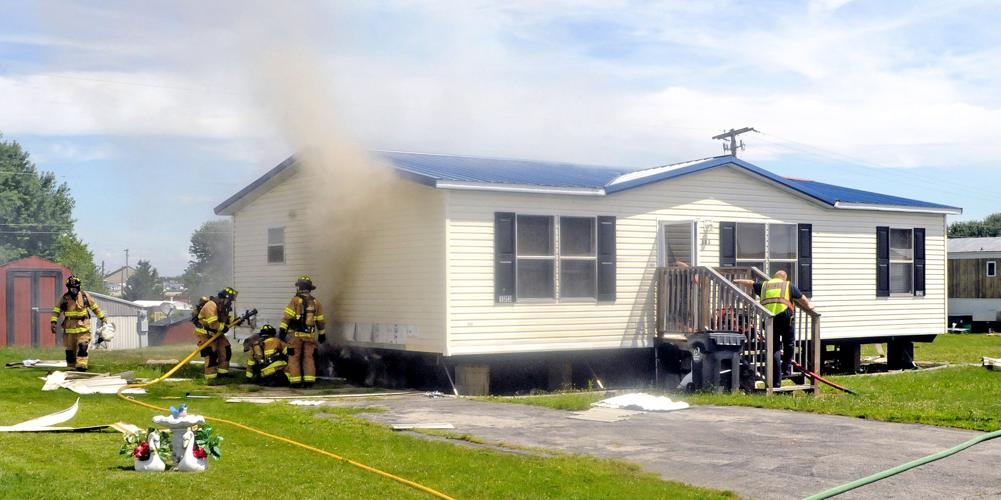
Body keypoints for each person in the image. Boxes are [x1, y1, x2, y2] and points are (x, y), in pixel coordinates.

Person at [734, 270, 815, 386]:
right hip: (786, 319)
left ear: (774, 277)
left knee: (774, 349)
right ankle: (786, 368)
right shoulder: (787, 285)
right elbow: (802, 298)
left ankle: (776, 381)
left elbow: (750, 283)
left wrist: (737, 281)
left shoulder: (765, 285)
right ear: (784, 278)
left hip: (769, 320)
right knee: (789, 344)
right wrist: (810, 306)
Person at [50, 275, 108, 372]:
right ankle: (71, 369)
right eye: (71, 288)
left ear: (79, 287)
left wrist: (103, 318)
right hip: (69, 332)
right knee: (70, 352)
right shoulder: (64, 298)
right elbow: (56, 310)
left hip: (83, 329)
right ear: (68, 288)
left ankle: (82, 366)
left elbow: (95, 308)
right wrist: (53, 322)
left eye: (75, 288)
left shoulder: (85, 296)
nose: (73, 290)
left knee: (82, 346)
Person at [279, 275, 326, 388]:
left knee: (294, 358)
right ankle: (309, 381)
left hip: (295, 337)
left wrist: (282, 330)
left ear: (299, 287)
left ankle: (295, 382)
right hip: (309, 337)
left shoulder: (295, 300)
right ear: (310, 288)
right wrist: (322, 334)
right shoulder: (316, 302)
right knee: (308, 358)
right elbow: (320, 320)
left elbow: (287, 317)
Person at [193, 287, 238, 381]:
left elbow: (225, 319)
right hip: (205, 333)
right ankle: (211, 378)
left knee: (226, 349)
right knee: (211, 354)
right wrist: (223, 327)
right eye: (229, 300)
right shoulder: (211, 305)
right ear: (224, 298)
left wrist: (235, 321)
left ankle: (223, 374)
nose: (230, 302)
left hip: (217, 333)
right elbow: (213, 324)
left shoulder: (223, 306)